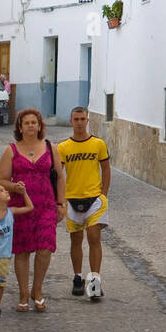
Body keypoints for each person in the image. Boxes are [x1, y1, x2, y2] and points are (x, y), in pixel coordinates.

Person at [0, 107, 66, 313]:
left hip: (46, 205)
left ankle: (38, 290)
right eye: (26, 123)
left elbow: (60, 176)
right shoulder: (11, 149)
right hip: (21, 206)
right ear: (20, 127)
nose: (30, 126)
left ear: (39, 126)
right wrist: (14, 187)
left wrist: (61, 203)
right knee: (23, 250)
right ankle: (23, 294)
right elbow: (1, 180)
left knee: (45, 248)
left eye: (33, 122)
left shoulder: (50, 147)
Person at [57, 106, 110, 300]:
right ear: (71, 122)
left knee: (94, 237)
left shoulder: (98, 144)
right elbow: (58, 175)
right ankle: (77, 278)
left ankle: (95, 282)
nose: (79, 122)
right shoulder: (63, 148)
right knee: (76, 240)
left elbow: (106, 168)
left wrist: (103, 194)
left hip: (94, 199)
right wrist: (60, 199)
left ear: (88, 121)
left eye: (82, 119)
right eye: (76, 119)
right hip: (72, 199)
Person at [0, 182, 34, 319]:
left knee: (0, 283)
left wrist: (24, 193)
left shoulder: (11, 211)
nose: (6, 191)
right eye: (2, 191)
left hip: (4, 256)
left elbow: (30, 207)